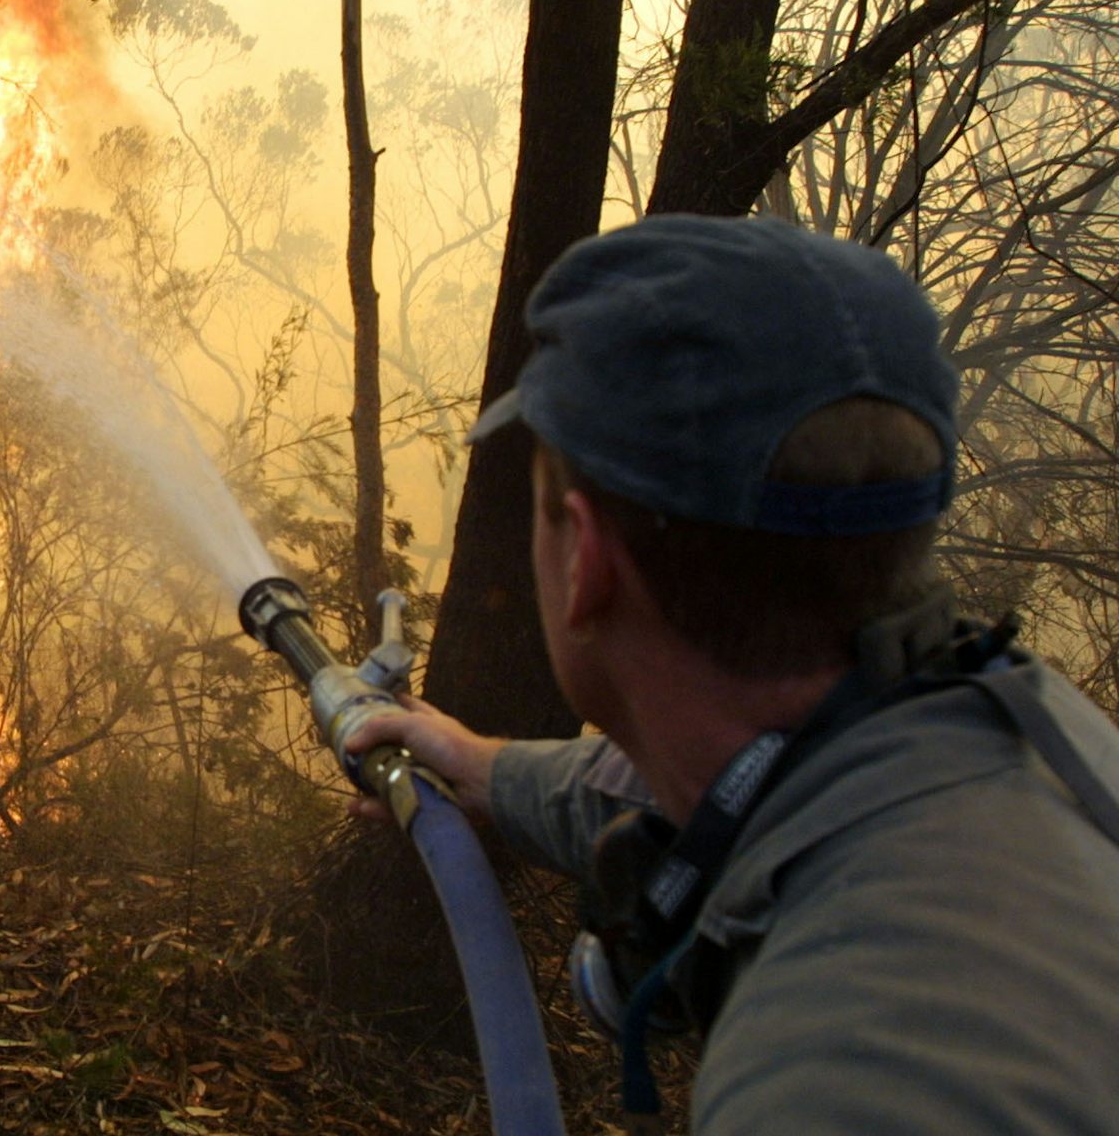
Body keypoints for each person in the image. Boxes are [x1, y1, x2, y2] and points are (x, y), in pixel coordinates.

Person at [347, 215, 1119, 1135]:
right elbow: (683, 791)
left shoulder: (834, 1079)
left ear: (585, 560)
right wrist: (473, 762)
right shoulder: (1014, 725)